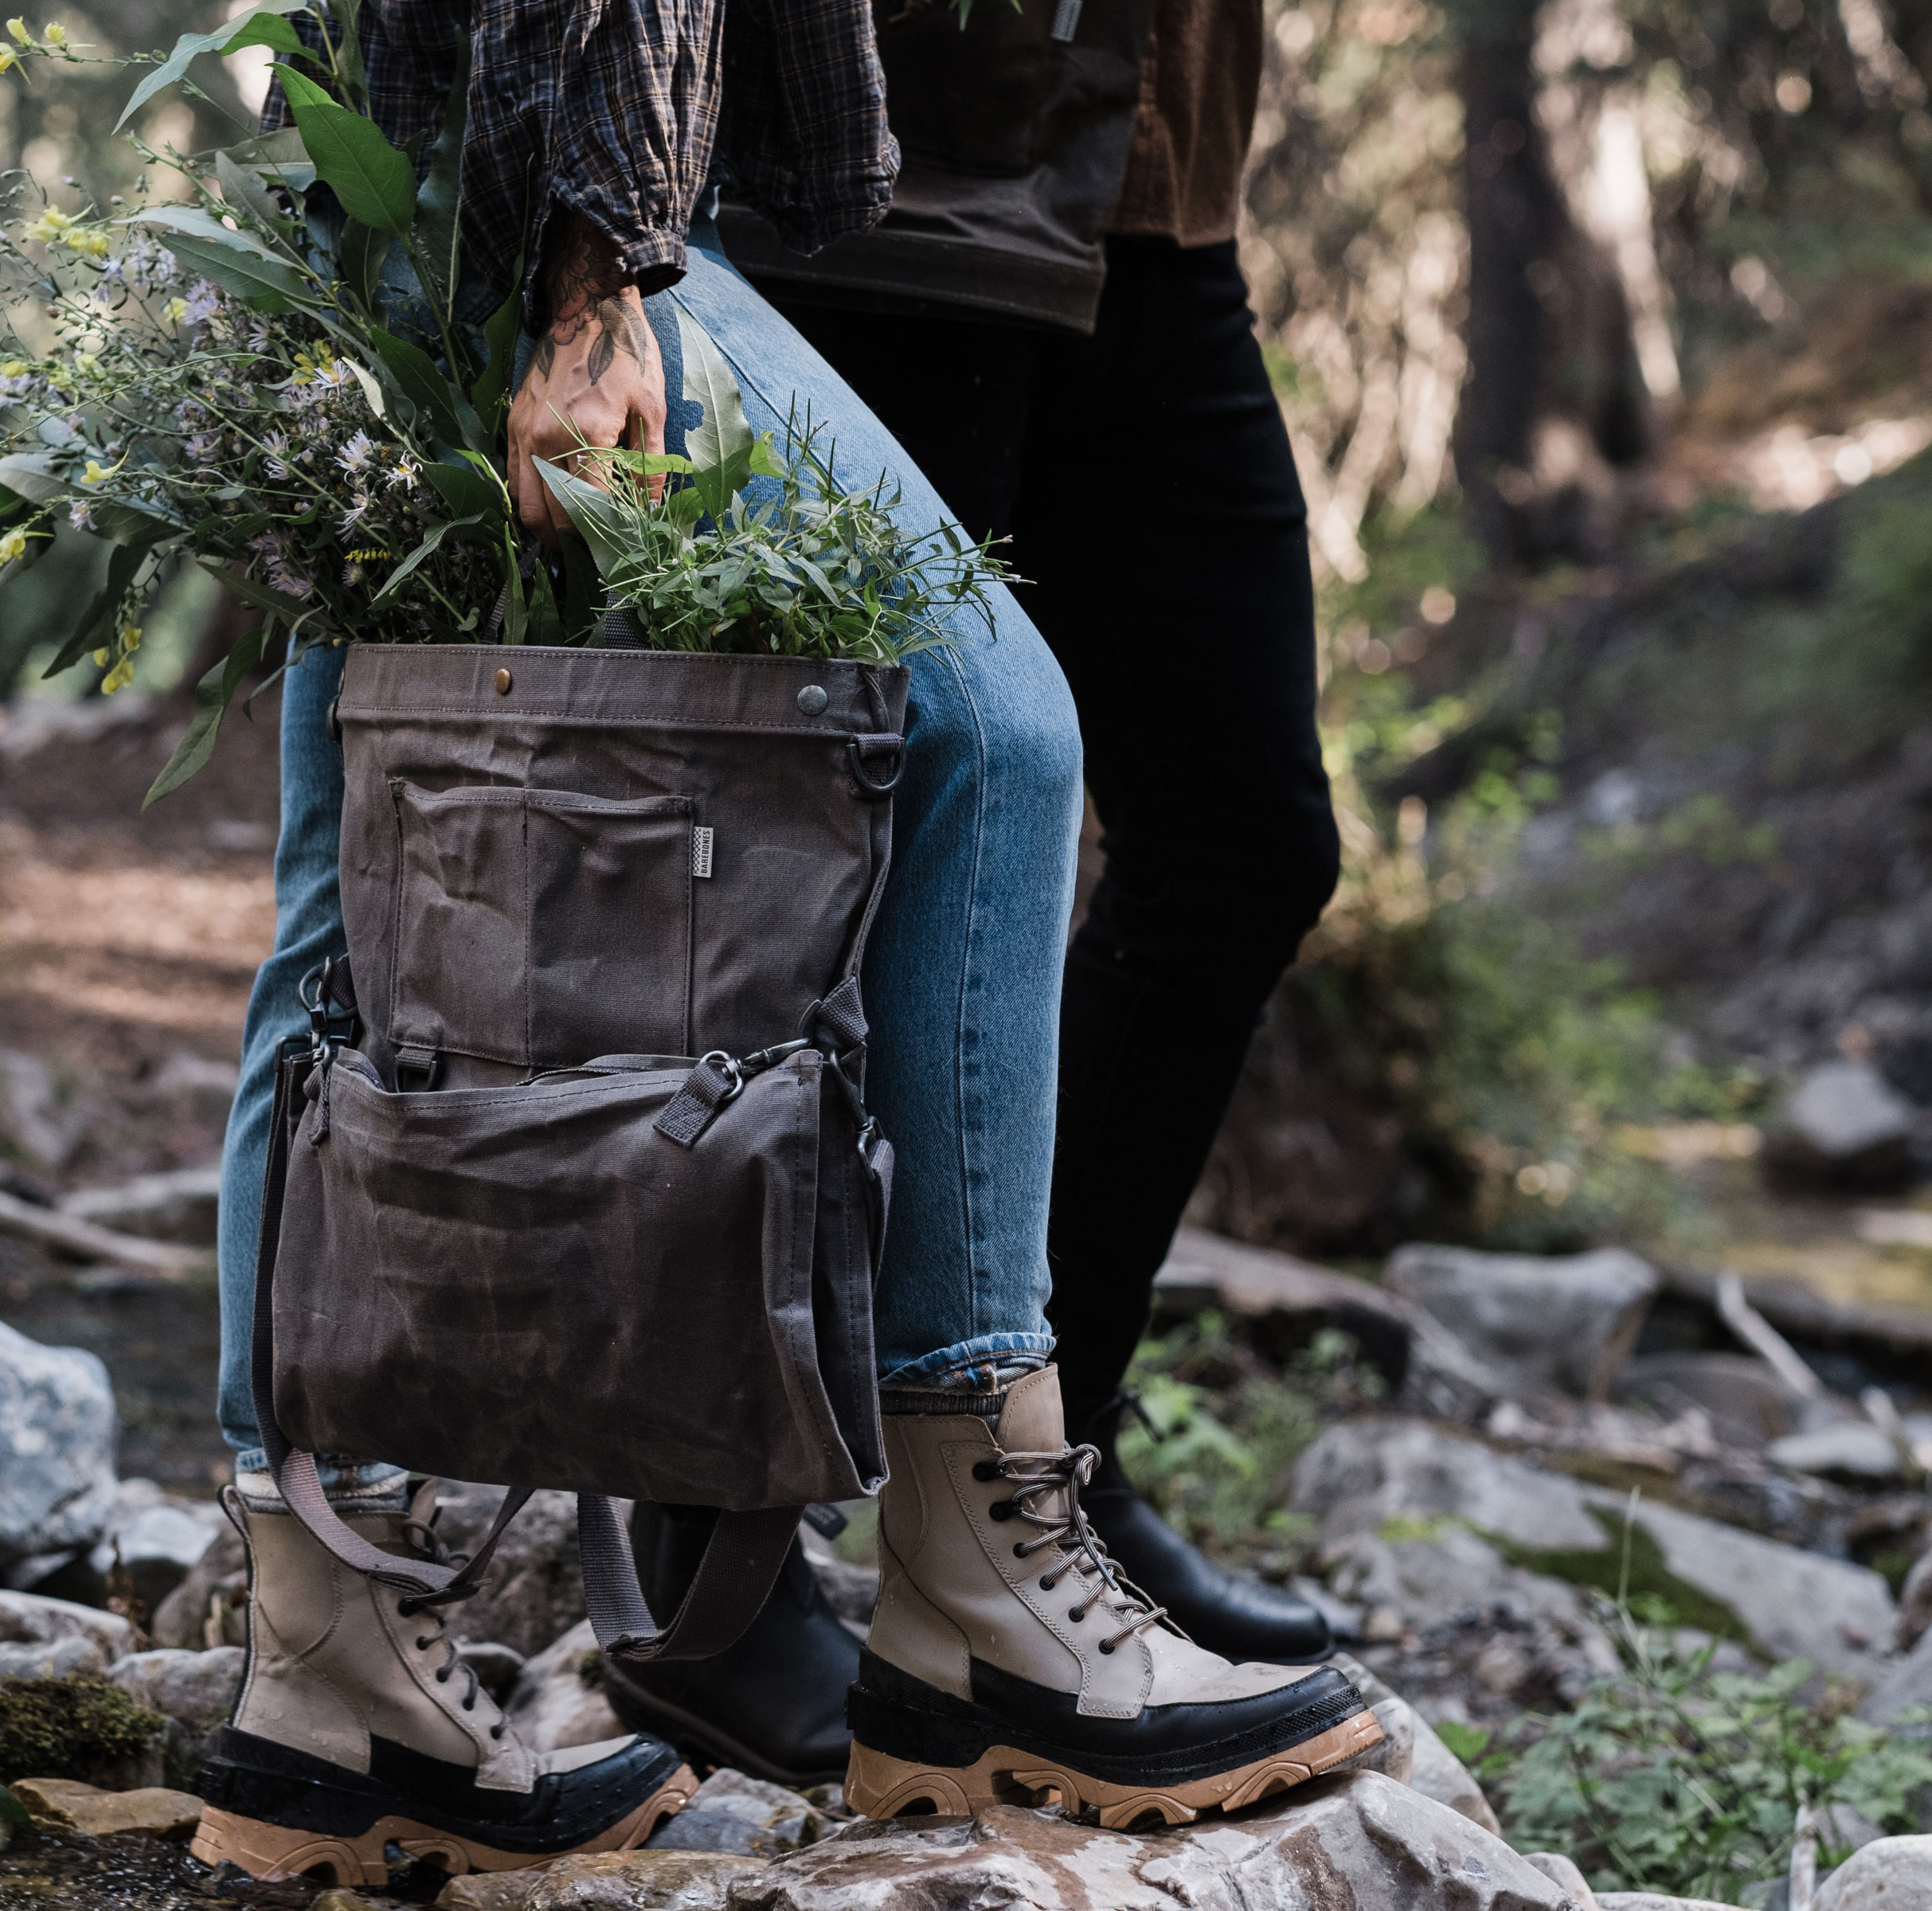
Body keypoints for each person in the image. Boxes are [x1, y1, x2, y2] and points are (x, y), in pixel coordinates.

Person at [194, 0, 1379, 1882]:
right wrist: (598, 285)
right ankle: (977, 1565)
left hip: (491, 167)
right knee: (986, 734)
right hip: (561, 180)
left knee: (352, 873)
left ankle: (329, 1664)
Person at [599, 0, 1351, 1784]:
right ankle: (715, 1559)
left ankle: (1032, 1476)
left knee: (1245, 837)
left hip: (1163, 205)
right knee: (830, 864)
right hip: (906, 189)